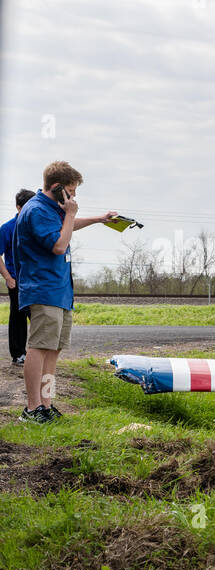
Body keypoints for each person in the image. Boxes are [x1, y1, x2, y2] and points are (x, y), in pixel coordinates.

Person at [13, 161, 117, 423]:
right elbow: (59, 245)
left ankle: (46, 405)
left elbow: (65, 228)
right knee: (39, 347)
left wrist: (98, 220)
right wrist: (70, 214)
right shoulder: (36, 210)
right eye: (71, 191)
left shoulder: (53, 208)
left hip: (60, 291)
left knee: (54, 350)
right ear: (58, 188)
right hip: (43, 288)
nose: (74, 197)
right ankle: (32, 408)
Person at [0, 189, 36, 365]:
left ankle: (38, 354)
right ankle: (18, 354)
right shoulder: (7, 228)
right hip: (15, 280)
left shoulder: (35, 225)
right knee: (18, 316)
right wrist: (7, 277)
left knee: (38, 316)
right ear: (18, 207)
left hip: (35, 279)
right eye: (27, 207)